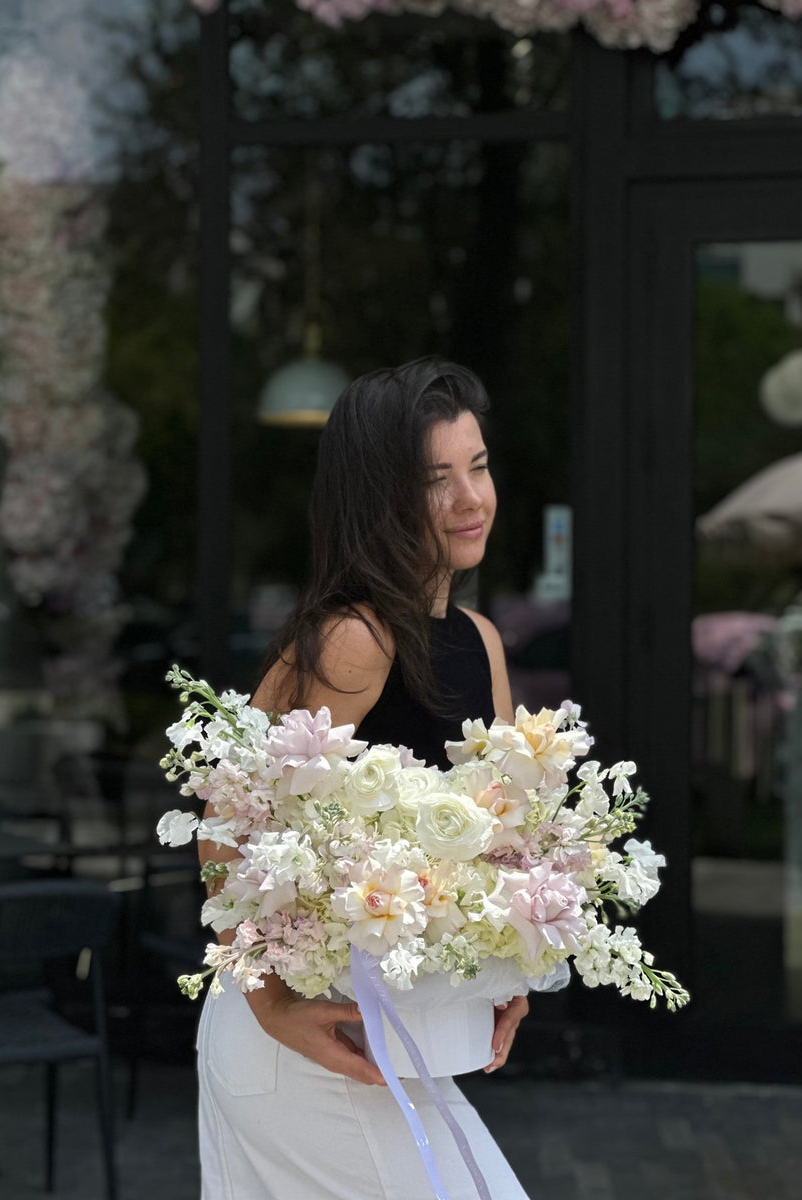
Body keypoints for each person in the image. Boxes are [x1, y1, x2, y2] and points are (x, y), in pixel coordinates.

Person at [196, 358, 532, 1199]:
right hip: (303, 1047)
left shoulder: (478, 640)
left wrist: (508, 971)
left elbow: (492, 837)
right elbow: (223, 826)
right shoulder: (356, 638)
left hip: (391, 1044)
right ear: (379, 498)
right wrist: (270, 1004)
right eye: (435, 480)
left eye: (478, 467)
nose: (471, 499)